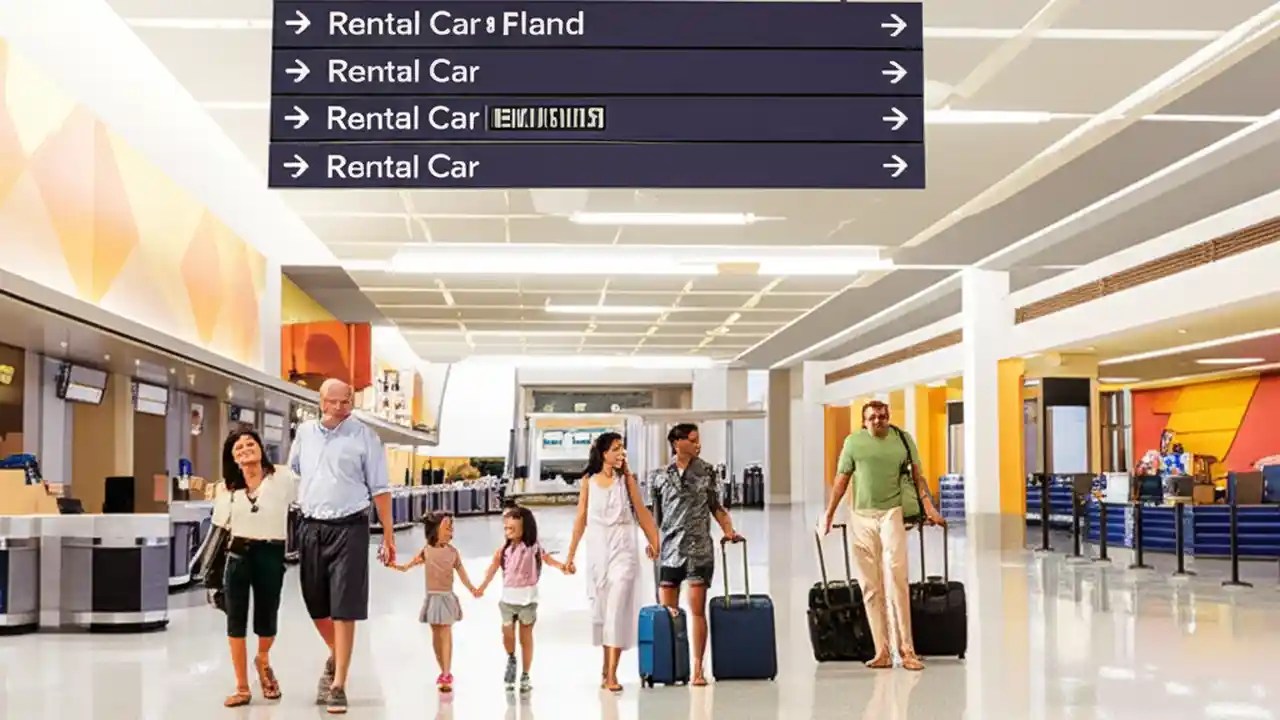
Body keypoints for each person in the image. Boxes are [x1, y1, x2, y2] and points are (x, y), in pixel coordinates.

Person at [289, 378, 396, 714]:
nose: (339, 408)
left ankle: (339, 685)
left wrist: (389, 536)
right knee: (315, 602)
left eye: (345, 402)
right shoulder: (304, 433)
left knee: (344, 605)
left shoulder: (366, 437)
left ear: (352, 402)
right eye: (332, 402)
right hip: (310, 526)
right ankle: (337, 654)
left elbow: (380, 488)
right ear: (320, 401)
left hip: (350, 527)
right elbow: (294, 472)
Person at [819, 400, 945, 671]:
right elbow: (842, 479)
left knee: (897, 575)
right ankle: (882, 651)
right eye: (872, 417)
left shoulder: (903, 440)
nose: (878, 421)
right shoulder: (853, 443)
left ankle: (907, 649)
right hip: (861, 516)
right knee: (870, 585)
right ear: (864, 421)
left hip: (893, 512)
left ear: (888, 418)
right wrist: (829, 514)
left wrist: (930, 508)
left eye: (882, 416)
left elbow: (918, 477)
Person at [563, 432, 660, 693]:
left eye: (623, 449)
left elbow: (642, 512)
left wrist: (655, 542)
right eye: (616, 448)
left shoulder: (627, 480)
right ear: (603, 453)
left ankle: (612, 673)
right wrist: (570, 556)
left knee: (617, 608)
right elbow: (580, 518)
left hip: (624, 549)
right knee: (605, 612)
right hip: (599, 553)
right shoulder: (589, 481)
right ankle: (606, 667)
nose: (621, 453)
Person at [652, 422, 742, 686]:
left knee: (696, 610)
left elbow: (717, 507)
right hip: (669, 551)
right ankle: (671, 664)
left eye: (698, 439)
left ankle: (697, 668)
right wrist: (652, 541)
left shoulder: (707, 472)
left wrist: (728, 530)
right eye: (692, 440)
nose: (698, 444)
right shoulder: (660, 476)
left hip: (698, 549)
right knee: (669, 612)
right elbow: (653, 517)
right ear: (677, 443)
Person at [212, 429, 296, 707]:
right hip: (237, 555)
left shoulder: (282, 477)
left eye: (250, 443)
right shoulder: (225, 489)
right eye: (239, 447)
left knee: (267, 614)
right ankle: (242, 686)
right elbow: (219, 530)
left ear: (261, 448)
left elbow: (307, 498)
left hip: (270, 553)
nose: (245, 449)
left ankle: (263, 659)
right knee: (235, 620)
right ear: (232, 458)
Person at [475, 505, 568, 693]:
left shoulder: (533, 548)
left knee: (526, 639)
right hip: (508, 600)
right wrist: (481, 587)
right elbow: (492, 569)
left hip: (528, 600)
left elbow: (548, 559)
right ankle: (511, 658)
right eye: (506, 528)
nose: (508, 531)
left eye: (513, 528)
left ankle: (525, 674)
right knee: (507, 634)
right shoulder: (503, 551)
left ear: (525, 528)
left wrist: (563, 567)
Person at [392, 513, 481, 693]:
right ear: (434, 530)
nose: (451, 532)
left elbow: (462, 573)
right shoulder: (426, 551)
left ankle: (447, 672)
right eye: (447, 528)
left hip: (446, 597)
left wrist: (473, 588)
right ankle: (443, 669)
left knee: (446, 633)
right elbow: (408, 566)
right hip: (432, 597)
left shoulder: (453, 553)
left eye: (451, 528)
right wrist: (395, 565)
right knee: (435, 634)